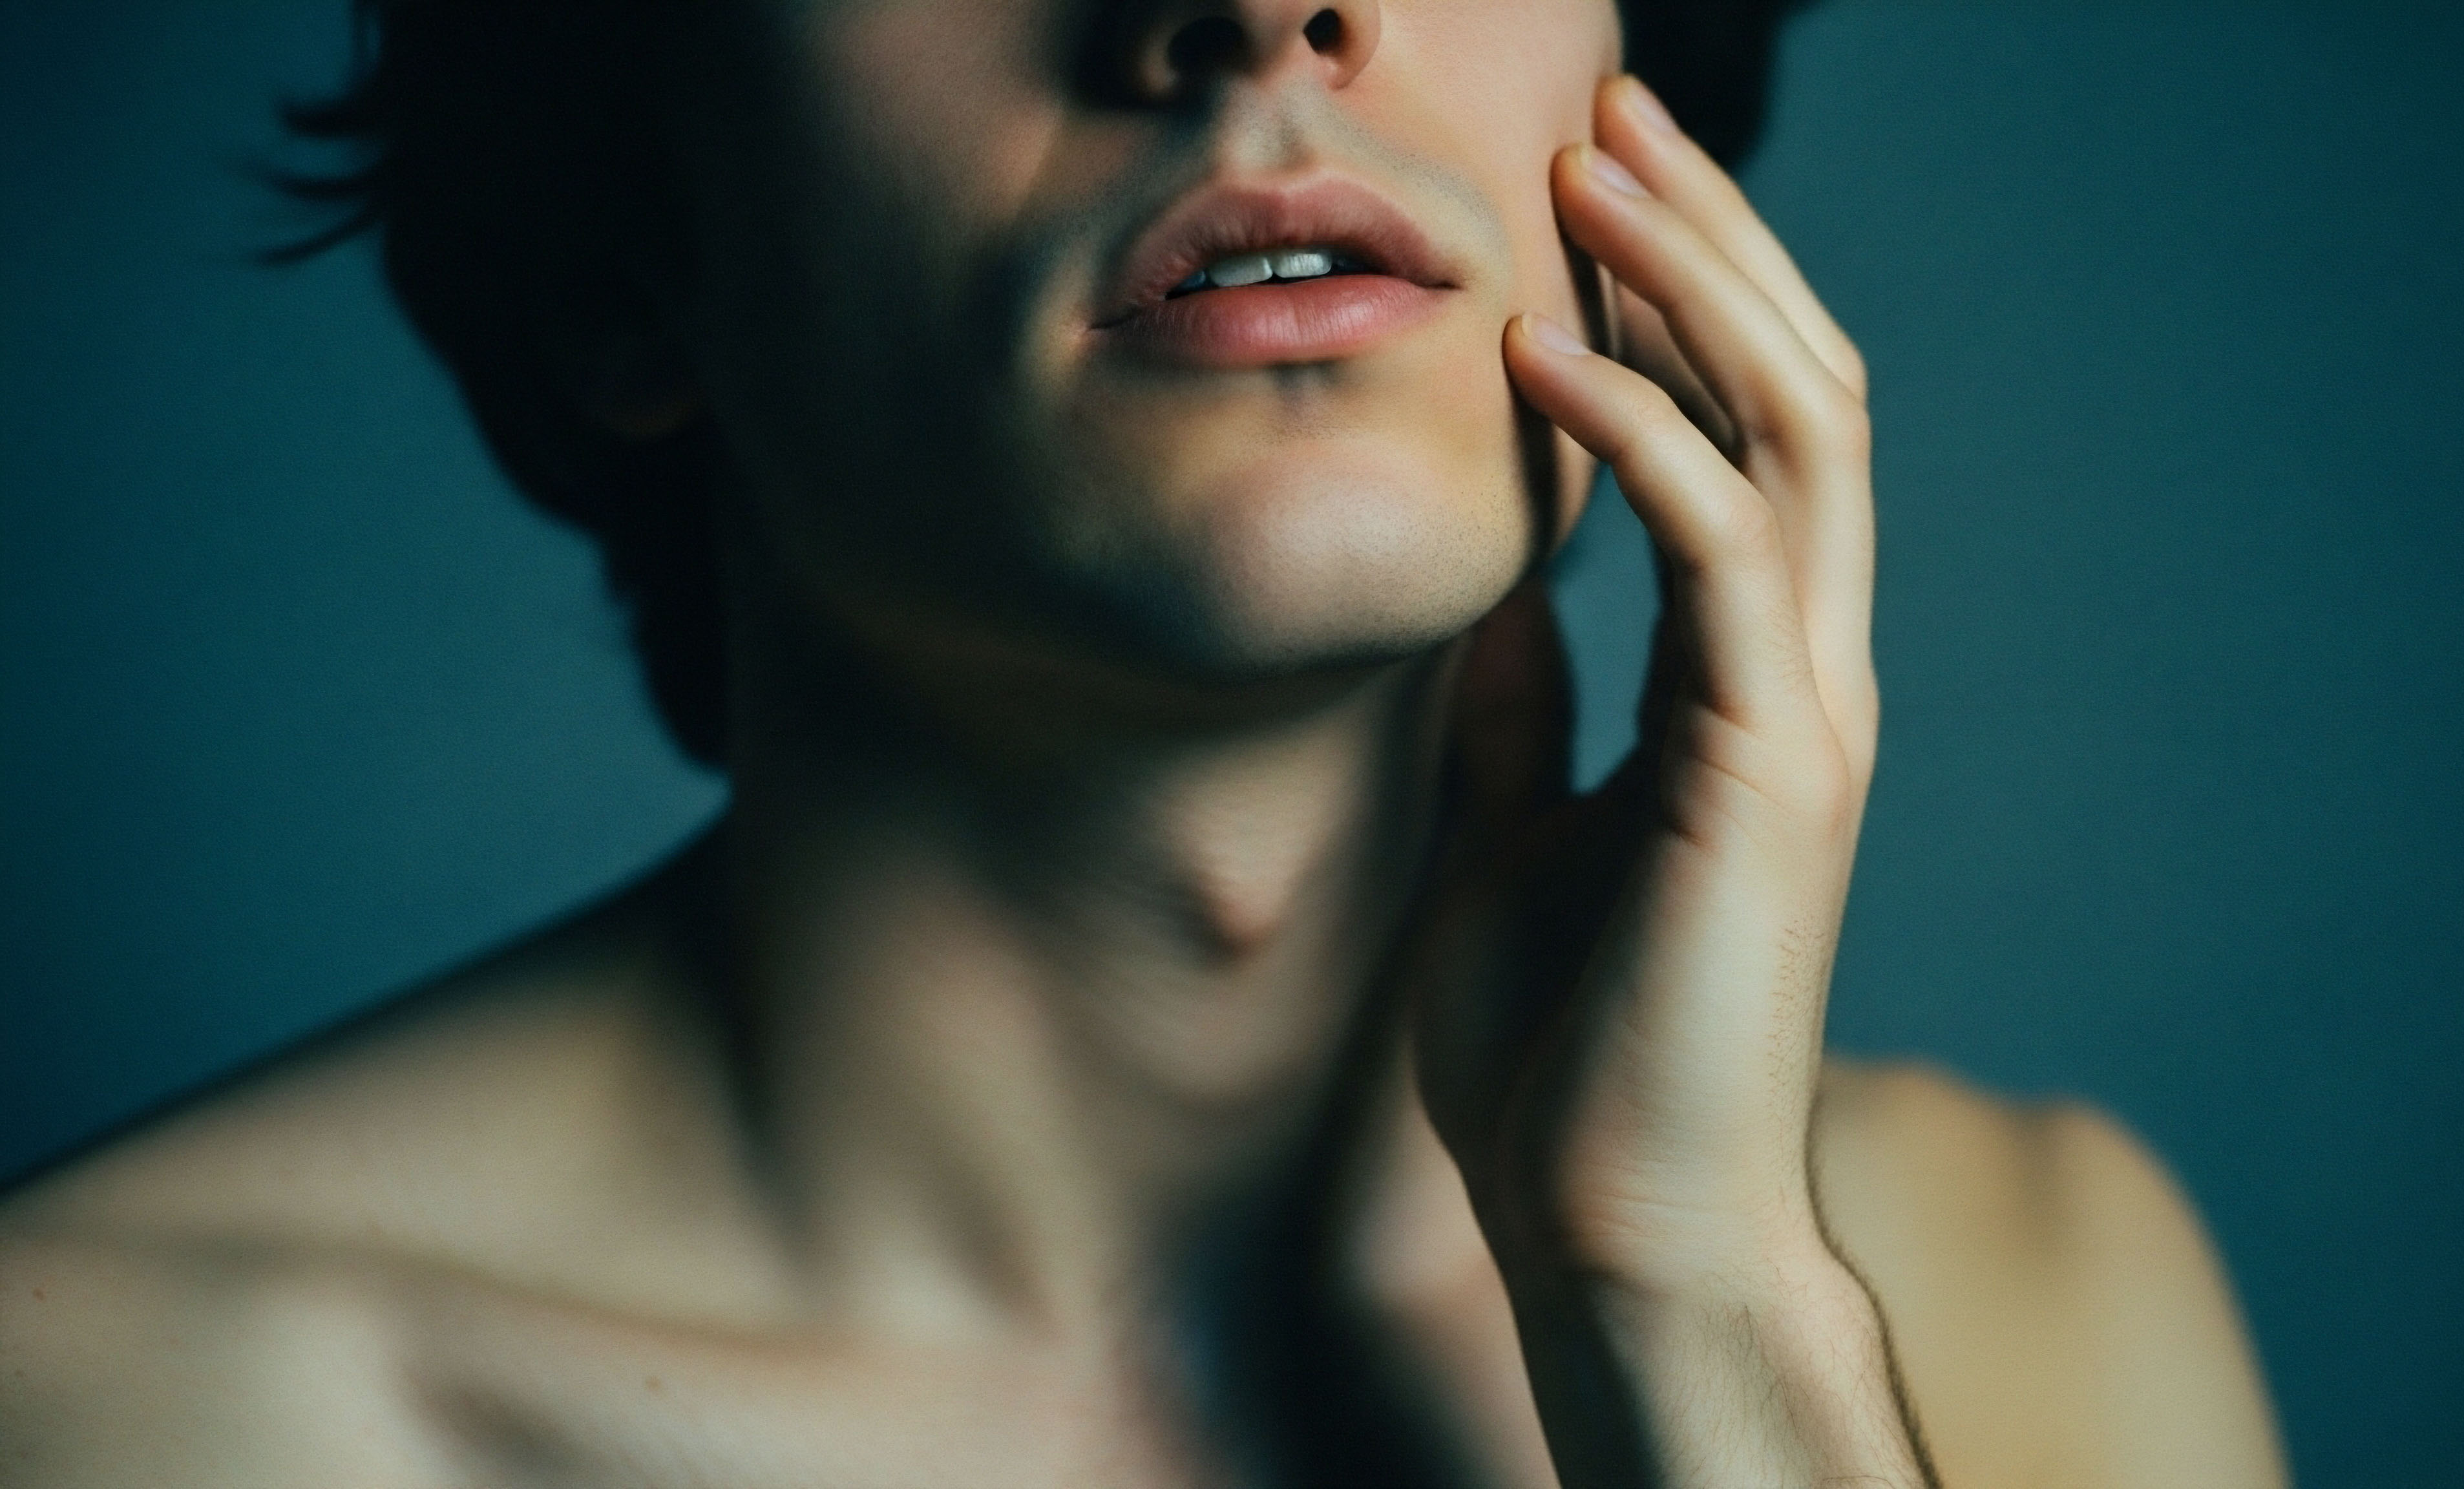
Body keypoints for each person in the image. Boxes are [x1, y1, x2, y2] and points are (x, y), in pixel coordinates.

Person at [0, 1, 2290, 1483]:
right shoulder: (112, 1414)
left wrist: (1686, 1307)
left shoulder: (2048, 1288)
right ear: (628, 252)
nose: (1265, 9)